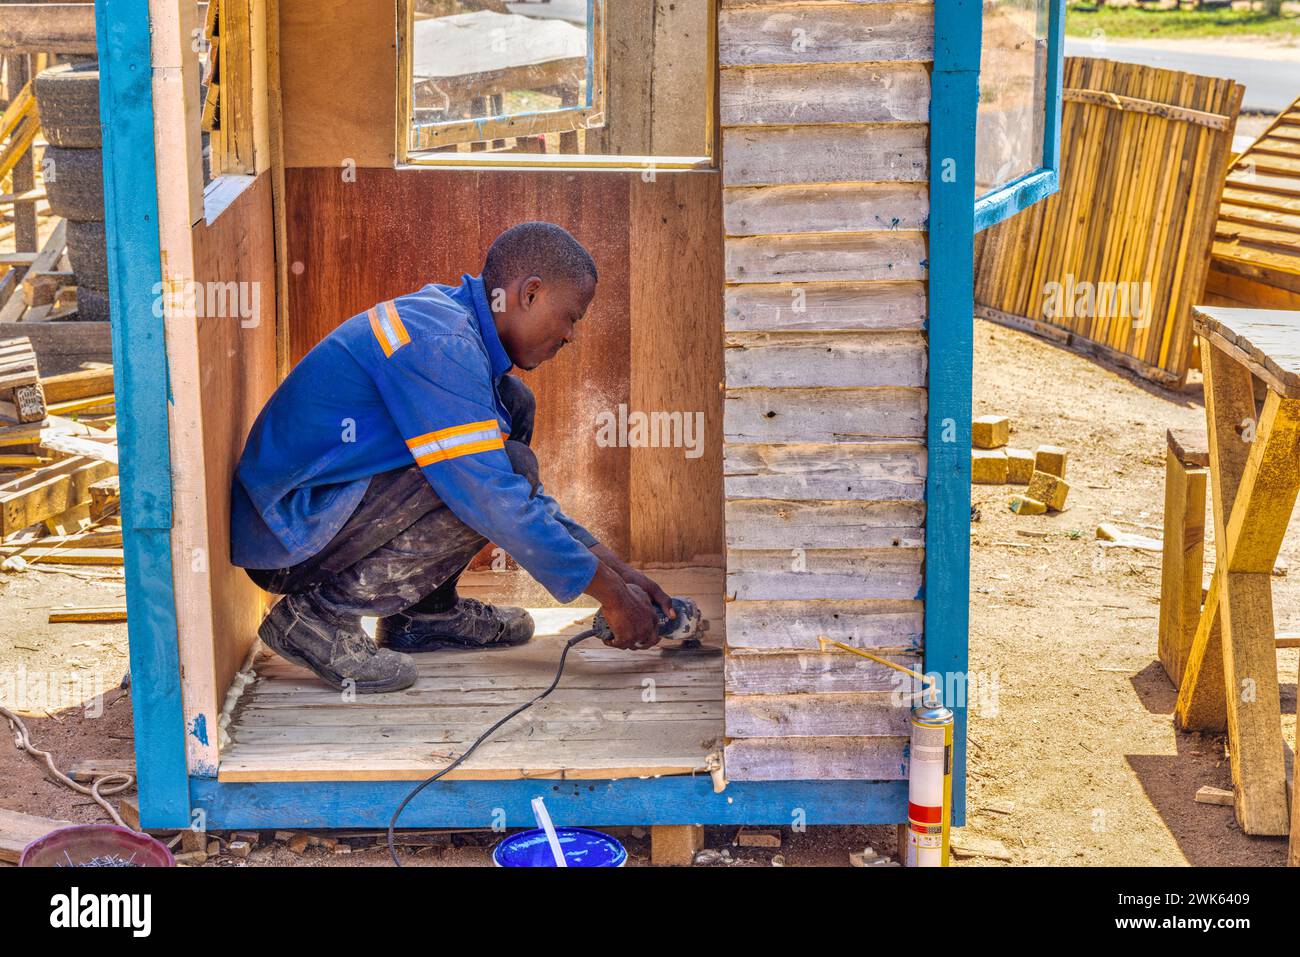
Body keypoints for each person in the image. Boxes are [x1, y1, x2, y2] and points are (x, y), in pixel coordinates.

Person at [230, 222, 671, 693]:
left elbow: (518, 495)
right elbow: (494, 498)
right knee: (490, 475)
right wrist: (612, 598)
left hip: (326, 517)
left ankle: (422, 615)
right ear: (531, 294)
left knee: (512, 412)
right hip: (290, 537)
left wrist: (623, 577)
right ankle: (319, 616)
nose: (569, 336)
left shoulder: (458, 328)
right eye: (572, 317)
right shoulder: (441, 343)